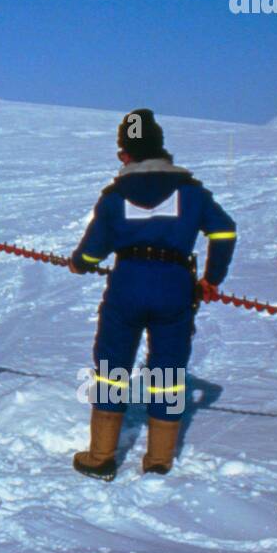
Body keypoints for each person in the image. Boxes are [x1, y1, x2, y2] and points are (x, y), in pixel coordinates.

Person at [67, 109, 236, 480]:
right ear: (161, 149)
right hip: (175, 286)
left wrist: (79, 263)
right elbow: (224, 232)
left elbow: (94, 249)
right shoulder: (192, 192)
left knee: (112, 368)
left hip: (128, 284)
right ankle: (159, 459)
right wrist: (212, 278)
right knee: (170, 369)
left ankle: (100, 457)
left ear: (126, 153)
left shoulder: (115, 196)